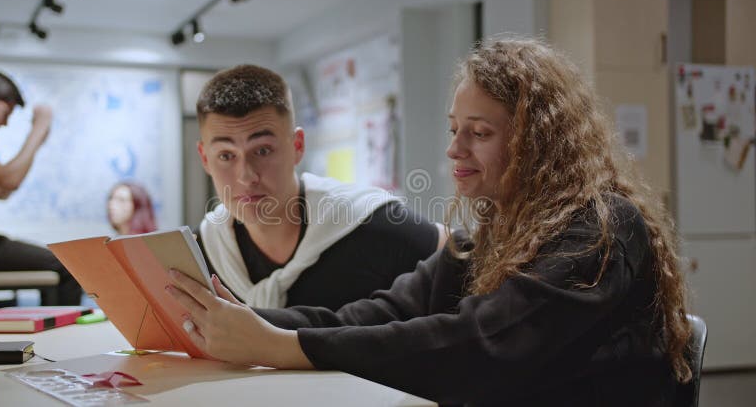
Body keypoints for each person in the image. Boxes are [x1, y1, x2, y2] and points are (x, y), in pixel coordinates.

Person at [166, 37, 693, 406]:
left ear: (540, 142)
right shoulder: (496, 235)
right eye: (454, 129)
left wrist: (280, 346)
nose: (454, 150)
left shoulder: (600, 229)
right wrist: (248, 327)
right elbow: (379, 314)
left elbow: (479, 345)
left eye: (479, 133)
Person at [193, 64, 445, 310]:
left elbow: (466, 254)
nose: (246, 176)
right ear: (205, 159)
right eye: (226, 155)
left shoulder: (365, 220)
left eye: (262, 150)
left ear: (297, 146)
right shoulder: (200, 253)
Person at [0, 69, 82, 306]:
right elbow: (7, 179)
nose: (4, 124)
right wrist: (37, 130)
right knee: (65, 267)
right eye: (6, 113)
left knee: (59, 265)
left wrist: (35, 144)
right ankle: (62, 338)